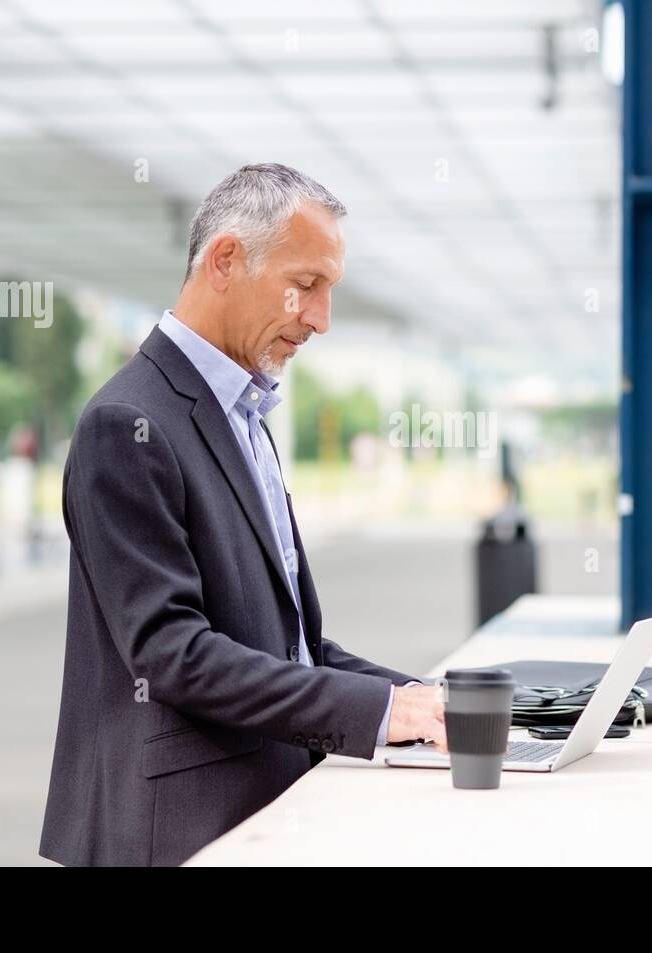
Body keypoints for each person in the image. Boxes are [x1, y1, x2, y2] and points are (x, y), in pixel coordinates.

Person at [39, 163, 447, 866]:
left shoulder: (244, 415)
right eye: (307, 285)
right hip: (176, 833)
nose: (320, 320)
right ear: (226, 259)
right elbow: (175, 655)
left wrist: (425, 700)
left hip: (262, 810)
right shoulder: (126, 423)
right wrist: (382, 716)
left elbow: (290, 649)